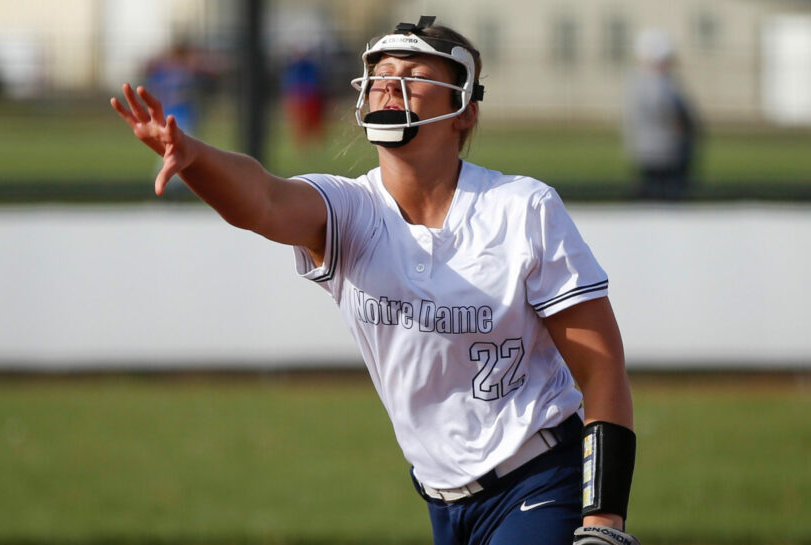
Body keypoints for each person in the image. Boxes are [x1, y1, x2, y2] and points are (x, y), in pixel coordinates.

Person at [111, 16, 639, 545]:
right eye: (383, 70)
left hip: (542, 480)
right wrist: (196, 158)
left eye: (414, 72)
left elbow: (600, 367)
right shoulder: (352, 209)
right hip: (441, 501)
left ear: (465, 110)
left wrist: (603, 520)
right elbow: (264, 200)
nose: (391, 81)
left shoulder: (523, 209)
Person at [623, 28, 699, 200]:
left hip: (651, 151)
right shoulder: (654, 84)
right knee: (661, 198)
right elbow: (668, 113)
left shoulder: (639, 81)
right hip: (663, 153)